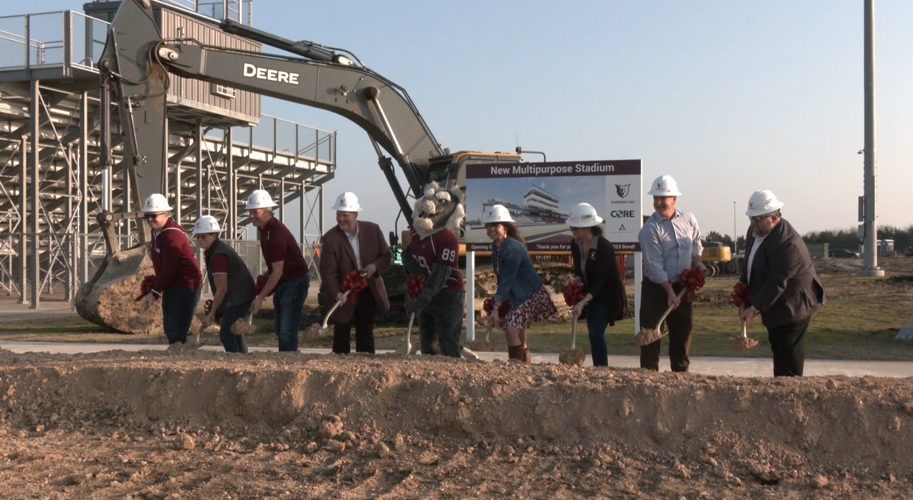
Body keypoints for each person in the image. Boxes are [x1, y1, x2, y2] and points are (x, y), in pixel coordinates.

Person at [739, 190, 825, 377]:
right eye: (751, 218)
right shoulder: (754, 232)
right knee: (777, 346)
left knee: (787, 353)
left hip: (794, 306)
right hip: (775, 304)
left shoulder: (787, 243)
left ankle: (790, 394)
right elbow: (749, 263)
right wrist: (743, 293)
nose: (753, 223)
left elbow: (776, 282)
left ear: (774, 217)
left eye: (758, 219)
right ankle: (780, 389)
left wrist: (754, 308)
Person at [637, 175, 705, 372]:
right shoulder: (649, 230)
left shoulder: (689, 219)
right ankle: (649, 381)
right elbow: (655, 266)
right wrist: (668, 291)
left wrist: (698, 262)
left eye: (662, 198)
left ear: (674, 199)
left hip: (682, 287)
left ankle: (680, 378)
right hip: (656, 289)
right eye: (655, 198)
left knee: (682, 335)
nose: (658, 202)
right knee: (651, 337)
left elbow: (696, 243)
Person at [319, 192, 392, 354]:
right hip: (344, 292)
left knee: (365, 332)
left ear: (355, 214)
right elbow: (327, 272)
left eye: (345, 215)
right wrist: (337, 292)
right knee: (341, 333)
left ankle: (365, 367)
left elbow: (386, 257)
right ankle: (340, 369)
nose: (340, 219)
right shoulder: (331, 239)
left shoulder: (373, 230)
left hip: (367, 290)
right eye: (338, 215)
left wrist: (374, 266)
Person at [485, 204, 557, 363]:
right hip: (516, 294)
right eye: (488, 225)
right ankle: (524, 359)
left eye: (496, 225)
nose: (491, 229)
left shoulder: (512, 249)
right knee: (518, 327)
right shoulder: (497, 247)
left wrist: (496, 308)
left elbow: (506, 280)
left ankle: (517, 368)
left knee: (511, 329)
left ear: (505, 228)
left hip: (528, 294)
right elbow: (501, 277)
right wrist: (500, 300)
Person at [402, 182, 466, 358]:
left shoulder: (447, 237)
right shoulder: (417, 232)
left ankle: (454, 368)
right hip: (427, 290)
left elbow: (441, 272)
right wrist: (417, 275)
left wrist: (424, 295)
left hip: (447, 293)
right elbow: (407, 255)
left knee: (446, 338)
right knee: (426, 340)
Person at [246, 189, 309, 352]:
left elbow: (278, 270)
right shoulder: (264, 231)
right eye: (250, 212)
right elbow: (275, 267)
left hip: (294, 281)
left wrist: (260, 297)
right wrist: (266, 276)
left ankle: (289, 363)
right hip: (285, 281)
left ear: (267, 212)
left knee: (287, 329)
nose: (252, 216)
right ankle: (285, 359)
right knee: (280, 327)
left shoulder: (275, 233)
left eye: (256, 212)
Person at [567, 203, 626, 367]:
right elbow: (580, 270)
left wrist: (582, 302)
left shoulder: (604, 247)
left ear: (587, 228)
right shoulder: (575, 245)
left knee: (596, 331)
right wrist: (577, 279)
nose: (572, 231)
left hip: (607, 295)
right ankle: (598, 367)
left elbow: (600, 281)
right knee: (592, 332)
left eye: (575, 228)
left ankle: (602, 369)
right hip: (591, 296)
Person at [141, 193, 203, 345]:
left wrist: (155, 292)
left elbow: (170, 268)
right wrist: (155, 285)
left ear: (165, 215)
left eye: (153, 216)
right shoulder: (156, 232)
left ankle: (182, 362)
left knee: (176, 329)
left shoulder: (171, 236)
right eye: (147, 216)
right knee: (169, 327)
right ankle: (179, 356)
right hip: (173, 285)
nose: (149, 219)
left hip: (185, 285)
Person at [194, 215, 255, 354]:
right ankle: (244, 363)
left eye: (203, 236)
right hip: (241, 297)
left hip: (238, 299)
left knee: (227, 335)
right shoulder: (216, 251)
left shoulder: (218, 256)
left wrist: (211, 313)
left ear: (214, 236)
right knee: (236, 334)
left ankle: (236, 363)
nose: (200, 240)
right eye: (197, 236)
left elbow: (222, 290)